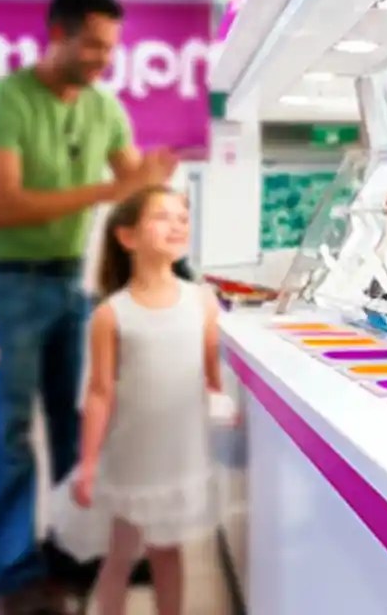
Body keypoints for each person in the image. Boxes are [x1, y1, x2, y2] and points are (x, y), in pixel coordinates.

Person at [0, 0, 176, 613]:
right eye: (91, 45)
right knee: (5, 429)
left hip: (69, 280)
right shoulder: (3, 102)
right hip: (6, 280)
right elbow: (2, 207)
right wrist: (106, 194)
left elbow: (134, 191)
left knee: (76, 424)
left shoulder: (105, 108)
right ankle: (13, 570)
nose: (101, 60)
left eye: (110, 48)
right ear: (56, 34)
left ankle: (74, 550)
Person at [70, 186, 222, 615]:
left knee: (168, 554)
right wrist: (89, 463)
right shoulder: (111, 313)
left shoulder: (202, 302)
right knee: (121, 553)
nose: (176, 224)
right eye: (162, 216)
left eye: (182, 217)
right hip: (131, 457)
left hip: (177, 457)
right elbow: (99, 393)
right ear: (127, 237)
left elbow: (211, 377)